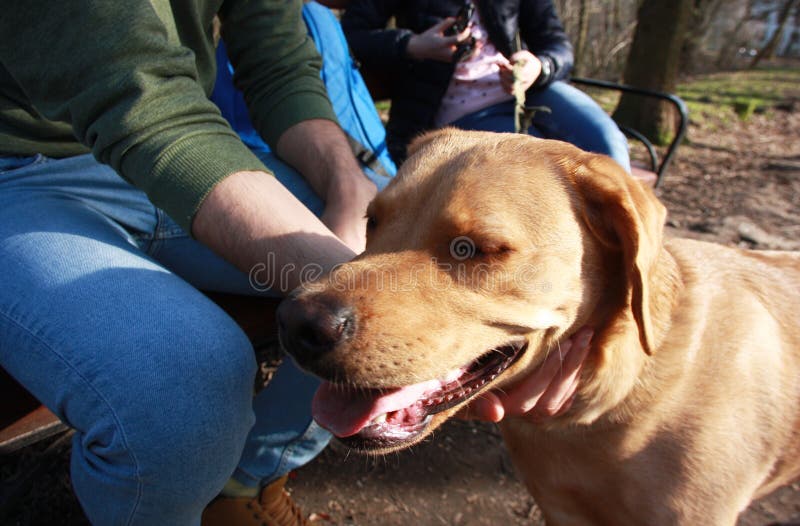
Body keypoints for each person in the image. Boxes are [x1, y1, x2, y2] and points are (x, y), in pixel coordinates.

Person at [0, 1, 590, 525]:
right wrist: (364, 299)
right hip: (21, 172)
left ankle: (245, 483)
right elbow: (137, 98)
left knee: (395, 232)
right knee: (181, 393)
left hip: (162, 148)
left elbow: (280, 64)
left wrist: (346, 183)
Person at [341, 0, 632, 171]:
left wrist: (538, 66)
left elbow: (557, 46)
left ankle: (629, 255)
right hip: (453, 108)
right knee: (535, 166)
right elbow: (350, 34)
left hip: (527, 89)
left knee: (607, 142)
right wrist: (414, 45)